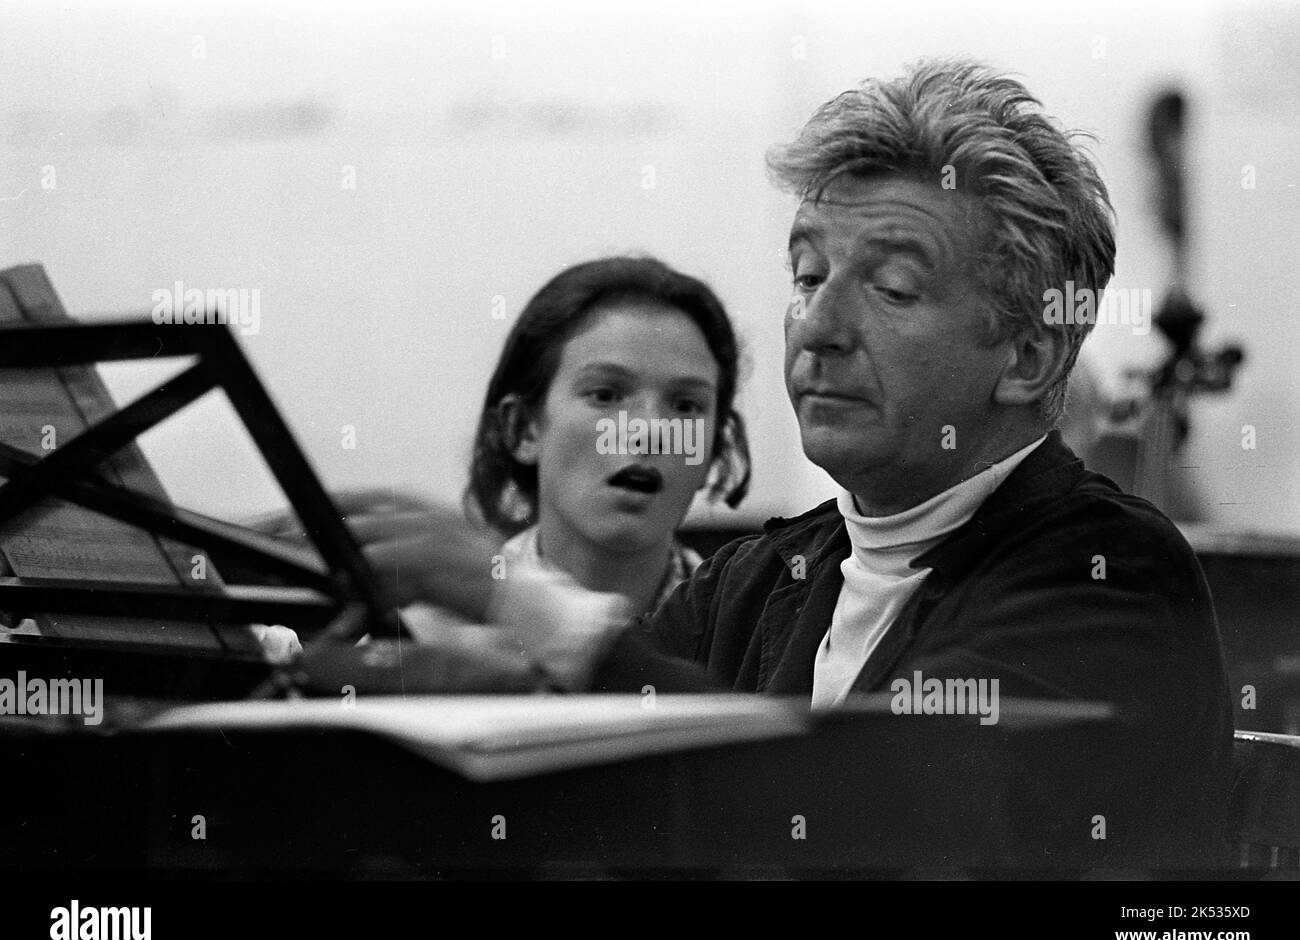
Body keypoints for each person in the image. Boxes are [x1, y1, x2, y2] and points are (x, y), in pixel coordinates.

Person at [345, 59, 1233, 865]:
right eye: (808, 276)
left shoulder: (1108, 571)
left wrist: (513, 596)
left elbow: (881, 804)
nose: (817, 326)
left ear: (1029, 357)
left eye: (891, 289)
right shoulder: (755, 581)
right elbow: (605, 778)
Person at [464, 256, 750, 617]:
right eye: (606, 395)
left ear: (712, 450)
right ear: (522, 429)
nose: (650, 431)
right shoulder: (438, 637)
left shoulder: (756, 643)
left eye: (686, 405)